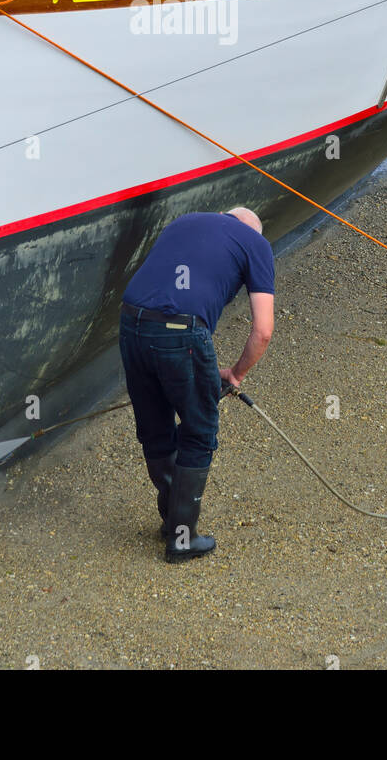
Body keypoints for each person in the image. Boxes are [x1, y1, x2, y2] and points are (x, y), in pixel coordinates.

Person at [118, 206, 275, 562]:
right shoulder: (256, 243)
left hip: (130, 322)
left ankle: (173, 520)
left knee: (155, 428)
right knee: (200, 431)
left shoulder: (185, 220)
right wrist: (235, 374)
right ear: (254, 230)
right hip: (180, 331)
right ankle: (183, 540)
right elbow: (263, 331)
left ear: (225, 214)